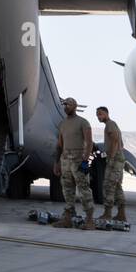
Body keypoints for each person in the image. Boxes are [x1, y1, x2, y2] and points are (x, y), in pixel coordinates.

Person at [52, 97, 95, 229]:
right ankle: (68, 218)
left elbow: (89, 143)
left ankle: (89, 220)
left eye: (68, 105)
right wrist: (57, 162)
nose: (66, 107)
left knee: (83, 189)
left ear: (75, 106)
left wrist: (85, 161)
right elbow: (59, 145)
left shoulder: (83, 122)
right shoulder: (63, 124)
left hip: (78, 160)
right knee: (67, 189)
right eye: (64, 105)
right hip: (65, 160)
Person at [95, 105, 127, 225]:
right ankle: (121, 214)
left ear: (106, 114)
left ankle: (108, 213)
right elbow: (120, 144)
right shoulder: (113, 124)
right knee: (117, 186)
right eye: (97, 115)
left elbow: (114, 140)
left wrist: (111, 157)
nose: (98, 117)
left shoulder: (110, 124)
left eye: (100, 114)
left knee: (109, 185)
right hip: (118, 158)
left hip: (114, 159)